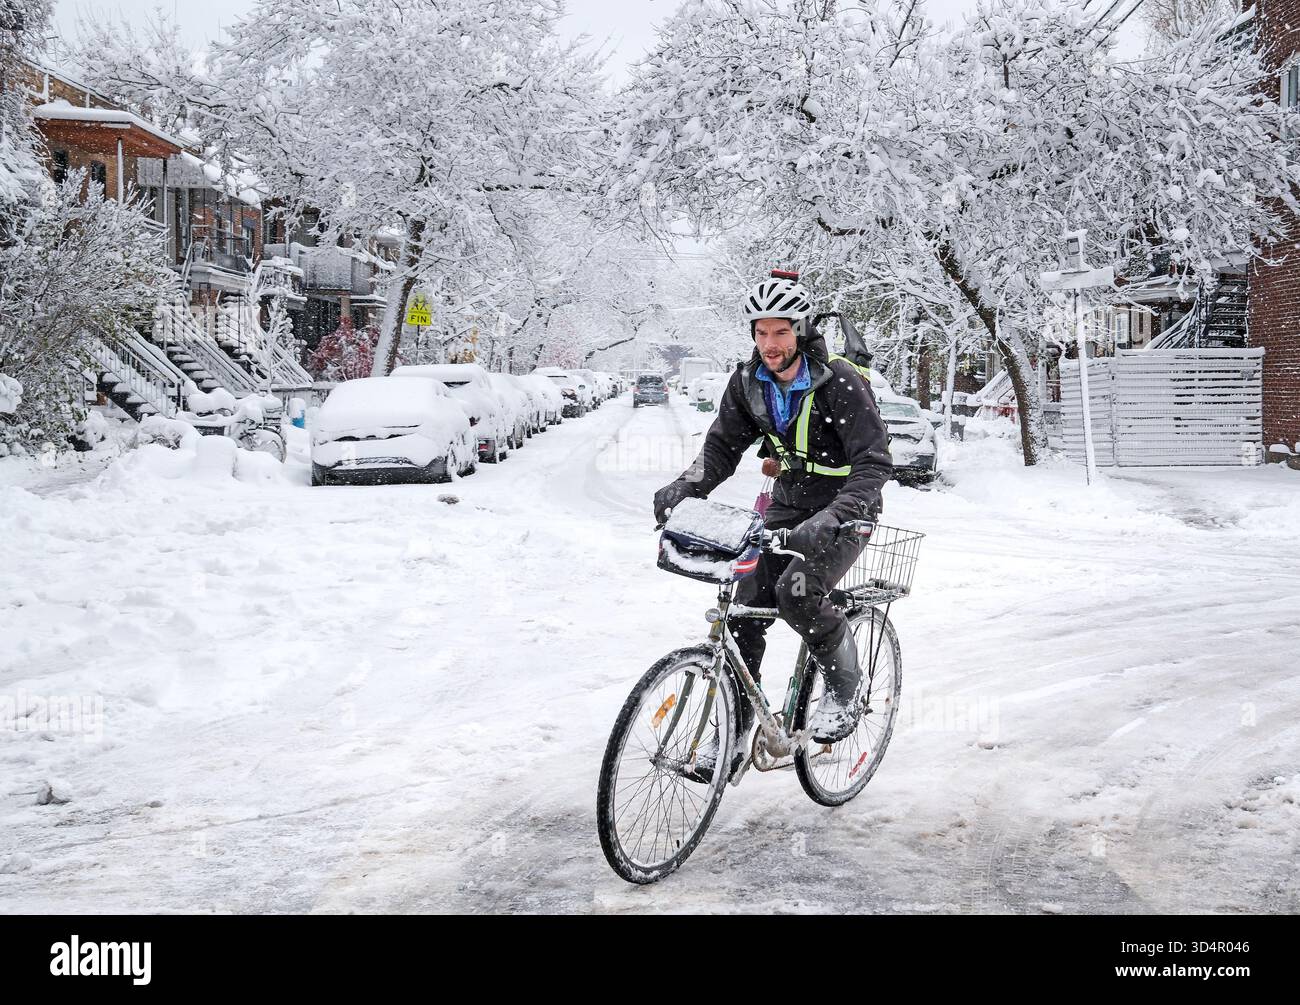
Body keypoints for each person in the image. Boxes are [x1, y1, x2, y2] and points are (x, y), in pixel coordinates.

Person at [653, 272, 892, 781]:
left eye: (780, 333)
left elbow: (873, 463)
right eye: (761, 333)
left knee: (797, 591)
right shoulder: (748, 384)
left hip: (847, 512)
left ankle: (845, 690)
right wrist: (685, 486)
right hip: (787, 505)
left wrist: (834, 516)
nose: (770, 345)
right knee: (744, 602)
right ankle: (737, 731)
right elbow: (720, 448)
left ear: (800, 331)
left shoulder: (839, 384)